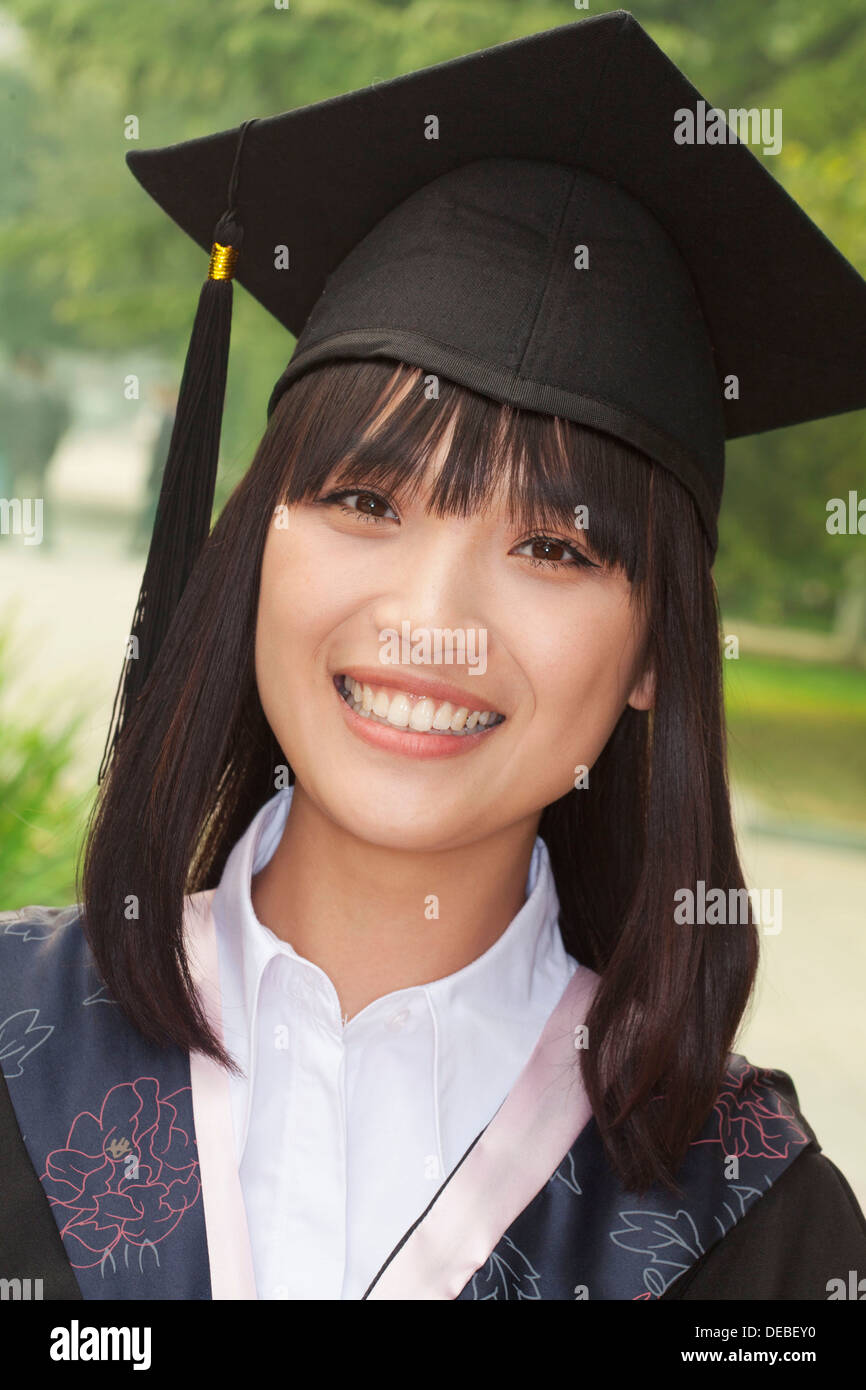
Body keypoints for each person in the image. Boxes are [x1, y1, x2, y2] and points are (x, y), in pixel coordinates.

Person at [2, 12, 865, 1302]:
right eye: (367, 501)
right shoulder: (23, 1050)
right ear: (256, 548)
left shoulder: (749, 1224)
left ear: (656, 655)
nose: (436, 618)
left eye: (557, 549)